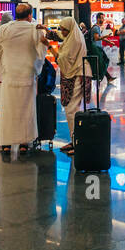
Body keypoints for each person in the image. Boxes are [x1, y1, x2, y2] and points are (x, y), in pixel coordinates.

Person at [0, 2, 48, 159]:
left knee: (7, 110)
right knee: (26, 110)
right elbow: (40, 52)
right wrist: (35, 69)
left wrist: (6, 66)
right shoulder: (34, 28)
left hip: (9, 76)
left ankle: (6, 144)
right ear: (30, 15)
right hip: (27, 76)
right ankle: (24, 144)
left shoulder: (4, 29)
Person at [54, 16, 92, 156]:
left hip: (78, 76)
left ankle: (78, 143)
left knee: (72, 110)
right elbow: (59, 36)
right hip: (79, 73)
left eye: (64, 30)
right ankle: (74, 139)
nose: (62, 32)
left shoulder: (74, 41)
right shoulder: (74, 36)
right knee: (72, 109)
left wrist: (48, 46)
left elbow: (62, 59)